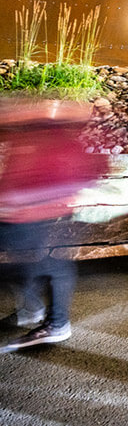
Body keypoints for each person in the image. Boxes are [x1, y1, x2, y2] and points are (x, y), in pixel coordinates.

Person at [1, 99, 107, 351]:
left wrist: (34, 208)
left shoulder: (58, 141)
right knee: (30, 262)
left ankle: (56, 323)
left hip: (40, 216)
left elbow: (83, 180)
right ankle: (34, 310)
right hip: (20, 214)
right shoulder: (29, 135)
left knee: (47, 266)